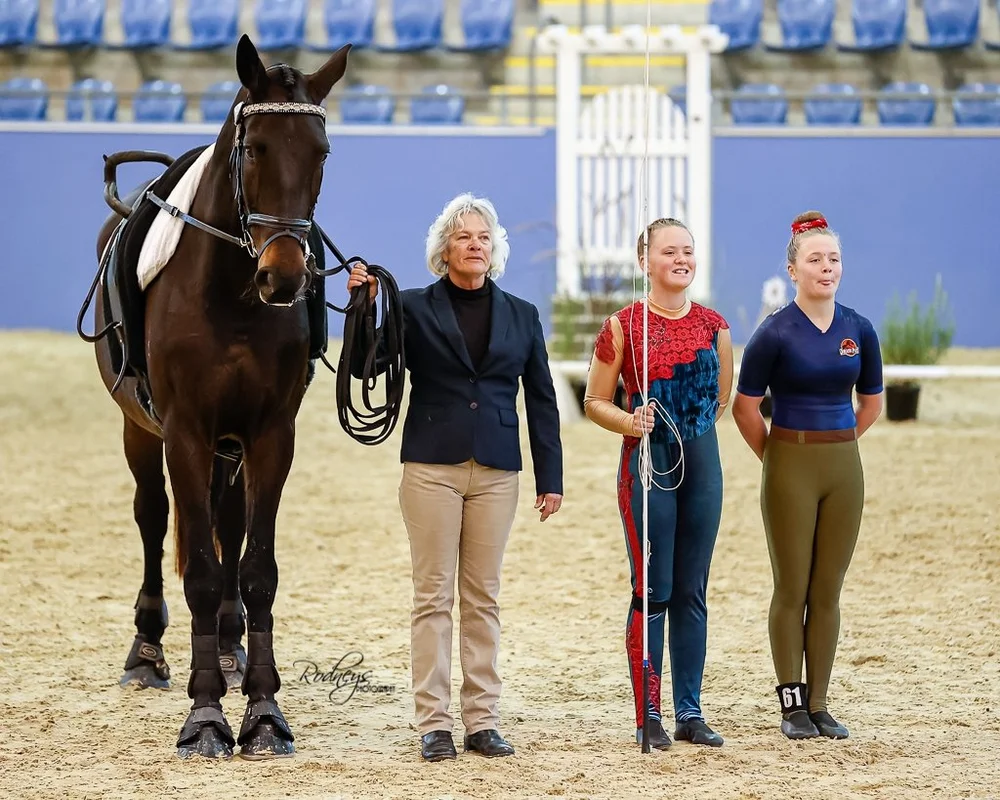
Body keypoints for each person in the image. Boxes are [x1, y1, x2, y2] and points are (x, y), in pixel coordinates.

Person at [346, 193, 564, 762]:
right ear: (444, 249)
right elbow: (369, 364)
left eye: (484, 237)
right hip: (431, 468)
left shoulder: (523, 314)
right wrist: (364, 308)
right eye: (464, 236)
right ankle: (435, 723)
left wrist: (551, 477)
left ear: (495, 250)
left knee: (483, 597)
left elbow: (541, 400)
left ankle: (482, 720)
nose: (474, 244)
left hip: (498, 471)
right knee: (433, 596)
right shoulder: (413, 307)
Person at [731, 210, 884, 741]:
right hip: (788, 464)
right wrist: (778, 458)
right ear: (793, 270)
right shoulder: (774, 333)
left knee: (828, 590)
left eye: (834, 259)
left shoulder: (859, 329)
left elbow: (872, 403)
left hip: (844, 465)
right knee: (791, 587)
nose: (827, 267)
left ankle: (819, 704)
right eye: (815, 259)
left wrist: (837, 446)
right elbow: (745, 409)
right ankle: (791, 703)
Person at [583, 217, 733, 750]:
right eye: (669, 250)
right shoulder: (623, 325)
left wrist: (689, 430)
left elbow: (721, 400)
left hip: (702, 464)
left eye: (688, 250)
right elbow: (593, 401)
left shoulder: (716, 326)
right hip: (647, 465)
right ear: (645, 261)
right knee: (652, 590)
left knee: (693, 590)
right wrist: (631, 421)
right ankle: (647, 712)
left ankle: (689, 711)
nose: (681, 258)